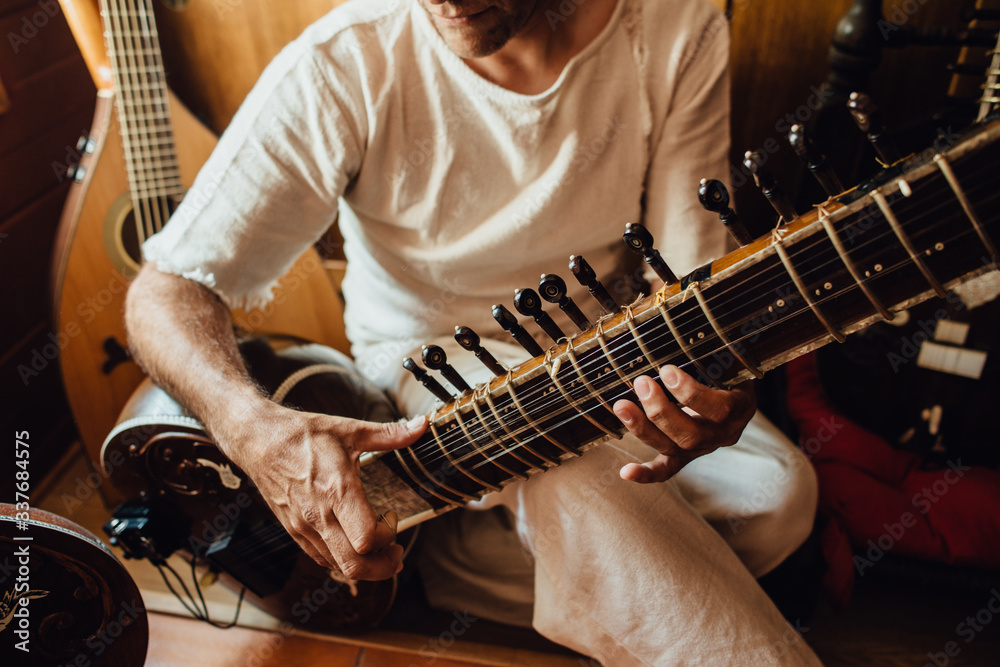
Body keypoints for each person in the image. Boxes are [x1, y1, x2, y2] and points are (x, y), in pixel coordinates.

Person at [125, 0, 822, 662]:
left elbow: (688, 277)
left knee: (777, 498)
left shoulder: (674, 24)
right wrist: (253, 431)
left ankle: (456, 555)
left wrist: (718, 387)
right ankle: (583, 548)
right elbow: (164, 291)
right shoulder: (346, 59)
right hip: (432, 370)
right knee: (579, 470)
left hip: (611, 347)